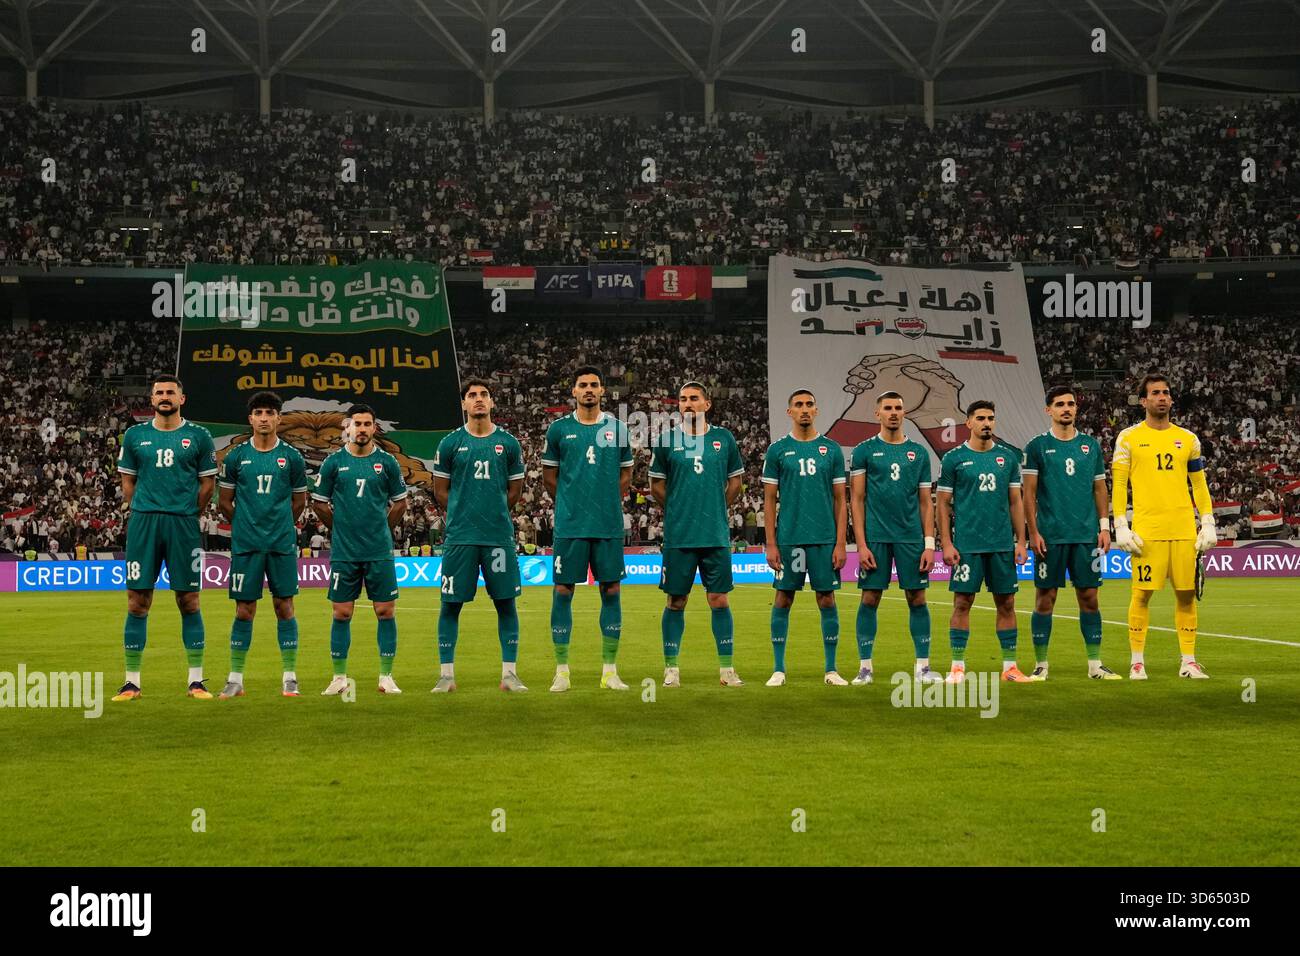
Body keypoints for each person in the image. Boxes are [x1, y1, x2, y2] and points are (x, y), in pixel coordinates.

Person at [112, 375, 218, 701]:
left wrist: (187, 512)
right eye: (159, 392)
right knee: (137, 601)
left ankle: (196, 682)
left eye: (171, 391)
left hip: (182, 525)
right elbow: (127, 481)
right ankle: (131, 683)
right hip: (144, 524)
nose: (165, 396)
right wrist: (143, 508)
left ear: (181, 398)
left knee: (189, 600)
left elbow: (207, 486)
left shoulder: (199, 436)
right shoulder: (135, 435)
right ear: (152, 398)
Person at [1110, 373, 1217, 679]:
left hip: (1183, 530)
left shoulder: (1189, 439)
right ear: (1143, 400)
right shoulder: (1128, 438)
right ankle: (1137, 662)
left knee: (1186, 595)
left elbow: (1199, 485)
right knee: (1142, 595)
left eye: (1166, 393)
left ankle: (1188, 661)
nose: (1162, 397)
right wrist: (1121, 523)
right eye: (1155, 393)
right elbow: (1119, 484)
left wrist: (1207, 521)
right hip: (1148, 531)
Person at [540, 366, 634, 692]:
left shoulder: (618, 429)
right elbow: (549, 478)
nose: (589, 390)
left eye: (594, 385)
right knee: (563, 591)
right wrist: (571, 502)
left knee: (611, 591)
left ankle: (610, 671)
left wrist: (605, 500)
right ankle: (562, 671)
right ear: (574, 392)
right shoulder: (558, 430)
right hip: (571, 526)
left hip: (607, 525)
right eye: (583, 385)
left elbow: (626, 476)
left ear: (602, 391)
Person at [431, 379, 527, 692]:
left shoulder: (508, 443)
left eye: (484, 394)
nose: (479, 399)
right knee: (450, 605)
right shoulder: (449, 443)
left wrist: (493, 512)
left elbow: (515, 490)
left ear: (492, 402)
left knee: (506, 604)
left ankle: (510, 675)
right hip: (460, 538)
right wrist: (463, 513)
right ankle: (446, 676)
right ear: (464, 404)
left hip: (498, 536)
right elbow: (440, 491)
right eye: (472, 395)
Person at [649, 381, 745, 687]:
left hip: (714, 534)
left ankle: (727, 670)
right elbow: (656, 486)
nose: (688, 403)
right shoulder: (666, 440)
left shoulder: (723, 439)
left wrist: (715, 508)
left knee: (719, 600)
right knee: (676, 601)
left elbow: (736, 483)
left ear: (707, 405)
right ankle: (671, 669)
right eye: (683, 399)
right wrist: (678, 509)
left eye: (694, 399)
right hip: (679, 536)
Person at [1021, 386, 1120, 680]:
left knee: (1089, 597)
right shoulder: (1036, 447)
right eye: (1060, 404)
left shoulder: (1090, 445)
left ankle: (1094, 665)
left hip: (1085, 536)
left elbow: (1100, 487)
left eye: (1071, 404)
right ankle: (1041, 665)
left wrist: (1104, 526)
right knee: (1045, 598)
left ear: (1076, 409)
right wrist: (1033, 532)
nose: (1066, 408)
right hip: (1050, 536)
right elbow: (1029, 494)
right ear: (1048, 410)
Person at [215, 391, 309, 699]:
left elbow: (299, 502)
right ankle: (235, 679)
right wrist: (247, 525)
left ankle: (290, 677)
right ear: (251, 419)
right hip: (247, 545)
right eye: (259, 413)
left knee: (285, 607)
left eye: (270, 412)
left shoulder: (292, 457)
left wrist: (279, 524)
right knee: (244, 609)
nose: (265, 418)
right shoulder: (236, 457)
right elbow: (225, 502)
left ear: (279, 418)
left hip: (281, 544)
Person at [313, 404, 408, 696]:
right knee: (341, 613)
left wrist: (383, 528)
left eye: (368, 424)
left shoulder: (388, 463)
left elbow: (400, 502)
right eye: (358, 424)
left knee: (385, 611)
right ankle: (339, 678)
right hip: (345, 551)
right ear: (347, 427)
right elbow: (319, 502)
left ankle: (386, 676)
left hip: (378, 551)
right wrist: (339, 528)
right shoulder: (333, 463)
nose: (363, 429)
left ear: (374, 428)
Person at [936, 400, 1033, 684]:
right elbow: (942, 504)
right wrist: (948, 543)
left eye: (991, 418)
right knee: (962, 603)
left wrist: (1021, 541)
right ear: (968, 423)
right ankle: (956, 668)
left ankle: (1010, 668)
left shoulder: (1008, 458)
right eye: (980, 418)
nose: (987, 423)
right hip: (967, 545)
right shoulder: (953, 459)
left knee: (1007, 604)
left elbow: (1016, 502)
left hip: (1002, 544)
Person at [848, 390, 942, 686]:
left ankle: (923, 668)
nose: (893, 412)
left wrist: (929, 544)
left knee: (917, 598)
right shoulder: (863, 450)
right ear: (877, 414)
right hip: (875, 537)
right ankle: (865, 669)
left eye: (898, 408)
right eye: (887, 408)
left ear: (904, 413)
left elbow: (927, 502)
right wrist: (860, 545)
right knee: (870, 597)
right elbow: (857, 499)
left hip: (911, 539)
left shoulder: (919, 453)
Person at [762, 388, 848, 686]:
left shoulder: (832, 450)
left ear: (817, 409)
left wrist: (840, 542)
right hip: (789, 539)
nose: (804, 409)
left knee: (826, 599)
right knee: (783, 598)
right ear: (789, 412)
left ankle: (831, 669)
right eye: (798, 405)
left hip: (824, 539)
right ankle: (778, 669)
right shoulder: (777, 450)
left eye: (810, 404)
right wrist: (771, 543)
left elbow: (841, 500)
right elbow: (770, 500)